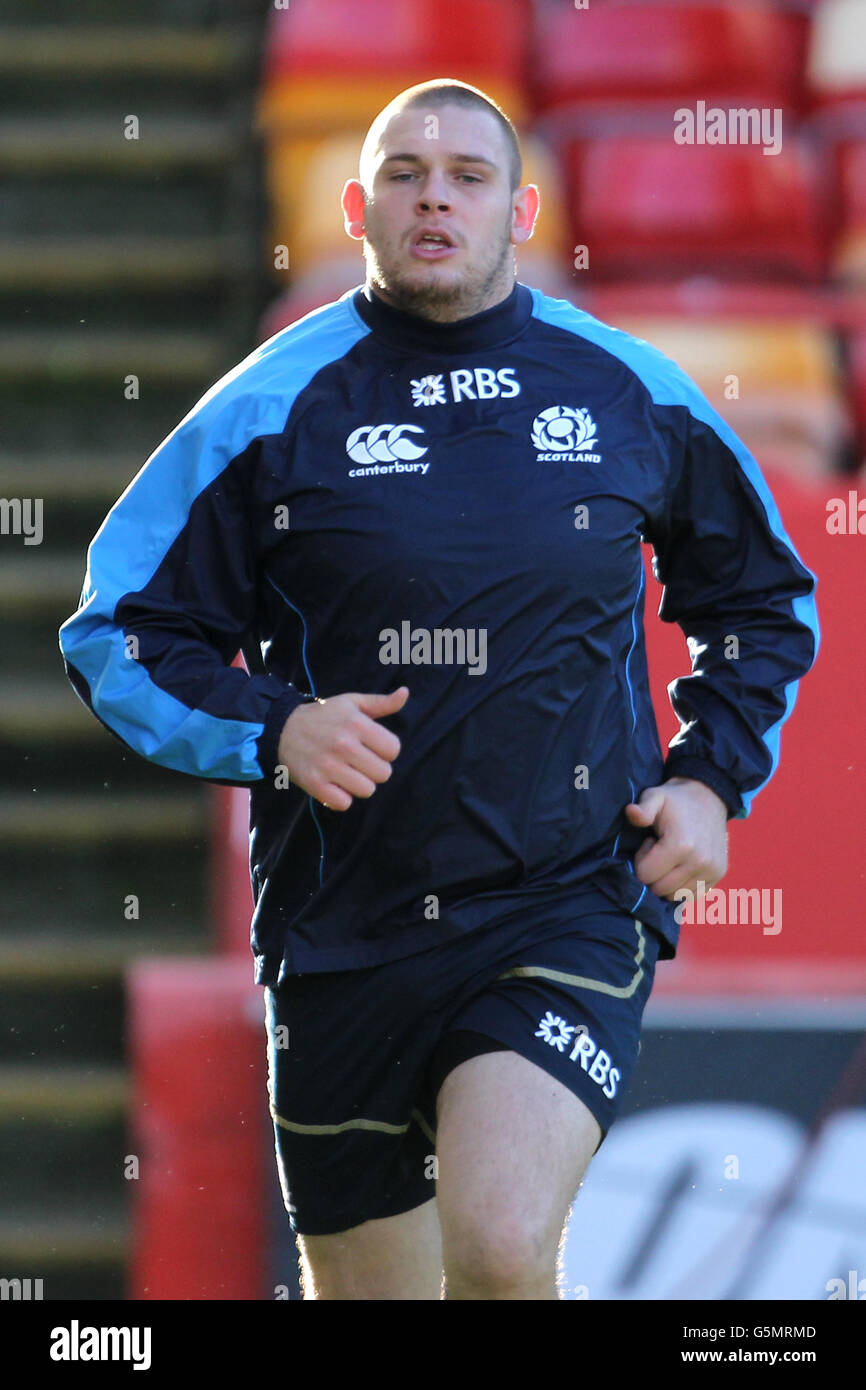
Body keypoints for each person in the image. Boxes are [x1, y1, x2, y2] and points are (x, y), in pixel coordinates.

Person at [58, 79, 819, 1300]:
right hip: (340, 930)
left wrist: (707, 780)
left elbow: (759, 600)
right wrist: (275, 728)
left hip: (563, 901)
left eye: (466, 175)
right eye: (404, 173)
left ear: (519, 209)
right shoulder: (262, 409)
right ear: (356, 207)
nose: (434, 197)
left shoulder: (632, 391)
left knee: (502, 1245)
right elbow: (119, 635)